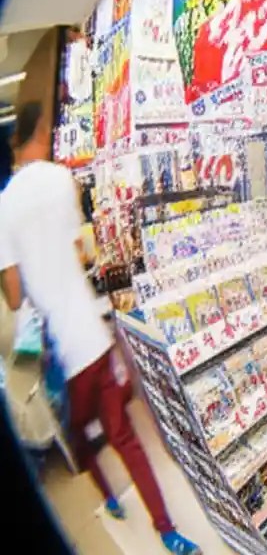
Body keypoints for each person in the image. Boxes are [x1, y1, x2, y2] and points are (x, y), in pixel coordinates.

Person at [0, 103, 202, 555]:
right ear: (42, 133)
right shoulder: (61, 179)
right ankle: (168, 531)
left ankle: (109, 498)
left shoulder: (2, 208)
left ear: (15, 142)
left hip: (60, 353)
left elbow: (13, 297)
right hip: (92, 335)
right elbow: (81, 251)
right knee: (123, 434)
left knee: (78, 436)